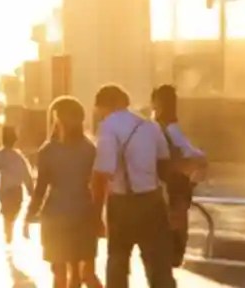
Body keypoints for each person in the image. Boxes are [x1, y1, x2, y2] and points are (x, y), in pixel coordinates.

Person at [92, 84, 176, 288]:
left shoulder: (108, 127)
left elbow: (103, 173)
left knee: (118, 263)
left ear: (104, 106)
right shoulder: (150, 125)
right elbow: (165, 166)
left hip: (122, 203)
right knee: (158, 265)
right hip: (152, 201)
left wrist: (96, 215)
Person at [28, 96, 102, 288]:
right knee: (76, 270)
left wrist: (30, 213)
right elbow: (97, 185)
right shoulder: (90, 149)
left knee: (59, 270)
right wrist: (98, 215)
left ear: (56, 119)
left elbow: (41, 187)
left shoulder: (48, 150)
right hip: (82, 212)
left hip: (56, 214)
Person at [151, 85, 207, 268]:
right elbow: (197, 159)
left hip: (167, 193)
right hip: (173, 192)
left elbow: (195, 158)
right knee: (172, 238)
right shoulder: (167, 129)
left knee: (169, 242)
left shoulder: (164, 129)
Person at [0, 125, 35, 243]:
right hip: (16, 191)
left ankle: (8, 236)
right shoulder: (18, 157)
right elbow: (26, 176)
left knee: (7, 215)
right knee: (11, 214)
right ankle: (9, 236)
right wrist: (31, 192)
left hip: (6, 191)